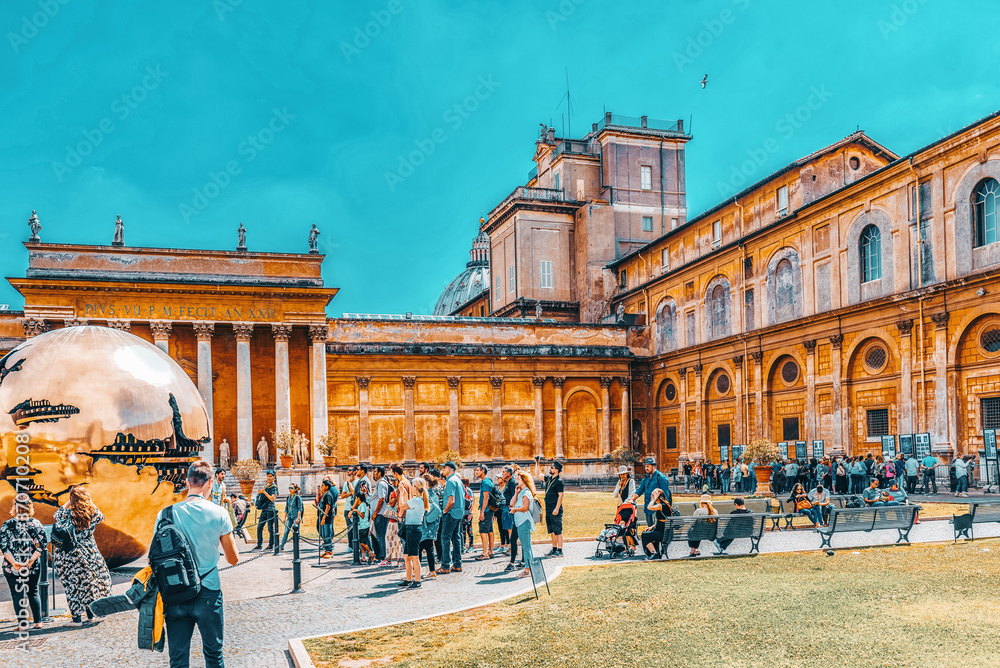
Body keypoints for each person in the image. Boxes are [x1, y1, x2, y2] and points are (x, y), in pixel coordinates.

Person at [158, 461, 239, 668]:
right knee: (213, 655)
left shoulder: (165, 514)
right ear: (210, 482)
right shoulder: (219, 513)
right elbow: (233, 558)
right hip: (207, 591)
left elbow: (157, 556)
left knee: (178, 659)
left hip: (175, 593)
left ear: (187, 481)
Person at [53, 486, 112, 626]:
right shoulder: (93, 513)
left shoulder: (67, 513)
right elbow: (101, 516)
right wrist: (89, 500)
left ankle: (76, 620)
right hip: (90, 553)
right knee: (88, 585)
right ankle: (91, 616)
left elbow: (56, 515)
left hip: (69, 556)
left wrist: (69, 502)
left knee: (72, 586)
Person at [1, 496, 46, 630]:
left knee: (17, 594)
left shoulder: (7, 525)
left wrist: (14, 563)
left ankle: (23, 625)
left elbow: (4, 547)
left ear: (14, 507)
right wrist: (31, 560)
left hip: (12, 567)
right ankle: (38, 622)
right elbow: (43, 544)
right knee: (33, 592)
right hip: (32, 566)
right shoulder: (36, 523)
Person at [400, 477, 428, 589]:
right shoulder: (417, 500)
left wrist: (402, 493)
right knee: (406, 556)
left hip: (413, 530)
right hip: (411, 529)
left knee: (414, 557)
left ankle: (417, 580)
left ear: (416, 487)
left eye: (412, 485)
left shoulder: (416, 500)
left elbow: (402, 505)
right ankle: (408, 580)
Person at [437, 461, 465, 574]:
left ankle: (445, 565)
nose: (443, 470)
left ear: (449, 468)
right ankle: (457, 564)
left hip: (451, 513)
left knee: (445, 538)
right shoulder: (458, 480)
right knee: (456, 538)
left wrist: (444, 511)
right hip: (458, 513)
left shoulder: (450, 481)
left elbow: (451, 500)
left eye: (444, 468)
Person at [629, 456, 672, 527]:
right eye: (645, 466)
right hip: (648, 509)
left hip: (657, 510)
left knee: (657, 530)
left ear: (654, 466)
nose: (646, 468)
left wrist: (663, 509)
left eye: (648, 466)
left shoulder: (661, 478)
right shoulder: (646, 478)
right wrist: (632, 499)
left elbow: (666, 495)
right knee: (650, 529)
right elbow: (639, 490)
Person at [511, 470, 538, 578]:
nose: (515, 477)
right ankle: (529, 568)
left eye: (517, 476)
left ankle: (527, 570)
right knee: (526, 546)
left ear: (522, 479)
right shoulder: (521, 491)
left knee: (526, 547)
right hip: (520, 522)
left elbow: (525, 507)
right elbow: (511, 503)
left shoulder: (526, 492)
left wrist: (515, 510)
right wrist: (516, 493)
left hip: (524, 521)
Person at [419, 476, 442, 579]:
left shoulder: (425, 495)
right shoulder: (434, 494)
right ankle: (432, 571)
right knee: (429, 549)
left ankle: (416, 572)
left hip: (424, 525)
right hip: (432, 525)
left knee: (419, 549)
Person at [640, 489, 670, 560]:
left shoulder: (661, 505)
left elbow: (649, 507)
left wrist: (654, 499)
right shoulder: (663, 505)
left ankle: (654, 553)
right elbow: (662, 521)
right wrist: (652, 526)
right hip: (662, 531)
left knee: (644, 535)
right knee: (647, 532)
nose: (651, 496)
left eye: (652, 495)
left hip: (663, 534)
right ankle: (654, 553)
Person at [474, 464, 495, 560]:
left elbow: (486, 498)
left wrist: (482, 512)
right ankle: (490, 551)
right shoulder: (488, 481)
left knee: (483, 531)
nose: (476, 472)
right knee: (490, 530)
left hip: (486, 510)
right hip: (490, 510)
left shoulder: (486, 482)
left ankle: (484, 553)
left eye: (478, 470)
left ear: (483, 471)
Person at [253, 470, 278, 551]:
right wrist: (261, 493)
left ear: (274, 477)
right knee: (259, 527)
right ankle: (259, 544)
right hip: (264, 509)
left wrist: (264, 492)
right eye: (268, 476)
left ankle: (271, 545)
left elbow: (272, 498)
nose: (269, 478)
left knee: (270, 528)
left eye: (270, 476)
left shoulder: (274, 487)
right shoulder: (266, 486)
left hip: (271, 509)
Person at [544, 461, 565, 557]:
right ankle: (554, 548)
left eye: (552, 467)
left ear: (557, 470)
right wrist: (537, 462)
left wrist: (556, 509)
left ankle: (560, 550)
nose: (550, 469)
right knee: (552, 530)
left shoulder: (559, 482)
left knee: (558, 531)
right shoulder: (549, 479)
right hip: (548, 509)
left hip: (555, 509)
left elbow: (561, 496)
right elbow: (538, 475)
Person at [370, 466, 390, 561]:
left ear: (380, 473)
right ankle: (379, 555)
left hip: (380, 514)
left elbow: (381, 499)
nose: (373, 473)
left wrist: (375, 513)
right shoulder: (378, 483)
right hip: (378, 514)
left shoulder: (381, 484)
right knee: (377, 535)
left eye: (375, 472)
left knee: (381, 536)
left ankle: (382, 557)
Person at [278, 483, 303, 552]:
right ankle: (282, 545)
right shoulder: (288, 498)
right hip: (289, 516)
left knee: (296, 532)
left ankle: (296, 546)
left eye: (291, 488)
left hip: (295, 517)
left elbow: (299, 509)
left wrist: (298, 518)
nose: (290, 489)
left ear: (295, 489)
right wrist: (284, 517)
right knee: (286, 531)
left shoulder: (298, 498)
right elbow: (286, 508)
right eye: (289, 487)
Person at [351, 491, 374, 563]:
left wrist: (357, 511)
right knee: (361, 543)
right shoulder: (361, 505)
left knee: (362, 543)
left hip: (364, 526)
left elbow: (362, 515)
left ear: (358, 498)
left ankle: (371, 553)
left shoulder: (362, 505)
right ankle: (363, 557)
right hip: (361, 526)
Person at [317, 479, 336, 557]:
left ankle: (330, 551)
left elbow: (327, 508)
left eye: (323, 486)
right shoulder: (324, 494)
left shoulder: (328, 495)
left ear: (327, 487)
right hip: (322, 516)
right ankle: (326, 550)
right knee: (324, 534)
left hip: (327, 518)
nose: (321, 487)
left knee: (328, 534)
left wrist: (323, 518)